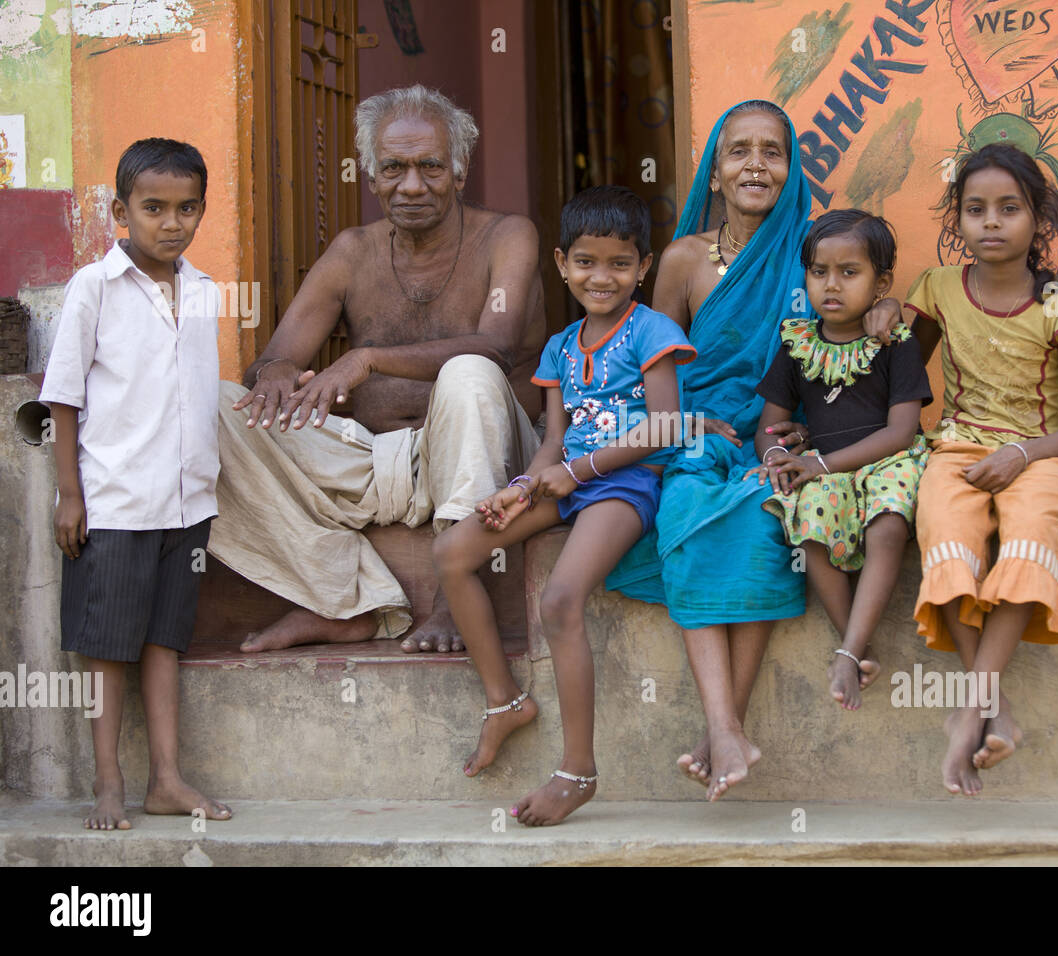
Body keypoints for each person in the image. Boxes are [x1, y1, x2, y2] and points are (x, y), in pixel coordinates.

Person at [607, 100, 899, 800]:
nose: (756, 165)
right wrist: (687, 426)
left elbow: (867, 317)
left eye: (773, 151)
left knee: (764, 520)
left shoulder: (815, 254)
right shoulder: (681, 261)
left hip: (783, 440)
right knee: (686, 509)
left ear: (793, 167)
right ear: (714, 169)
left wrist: (893, 312)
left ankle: (720, 731)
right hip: (700, 439)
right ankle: (725, 726)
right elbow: (657, 365)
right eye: (738, 150)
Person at [210, 84, 545, 654]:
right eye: (393, 168)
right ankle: (341, 601)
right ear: (370, 177)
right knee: (207, 407)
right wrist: (273, 372)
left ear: (460, 173)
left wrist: (365, 359)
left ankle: (453, 593)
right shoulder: (353, 251)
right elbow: (277, 356)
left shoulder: (507, 236)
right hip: (367, 461)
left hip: (486, 462)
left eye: (430, 167)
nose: (411, 186)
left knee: (467, 373)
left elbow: (496, 347)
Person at [430, 186, 696, 826]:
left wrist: (578, 472)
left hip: (626, 485)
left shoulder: (653, 331)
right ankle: (504, 701)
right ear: (560, 262)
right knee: (454, 550)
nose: (601, 277)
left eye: (618, 264)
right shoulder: (558, 347)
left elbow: (666, 426)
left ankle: (578, 770)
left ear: (644, 265)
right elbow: (553, 438)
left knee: (559, 600)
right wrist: (522, 487)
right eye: (585, 262)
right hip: (570, 477)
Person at [40, 138, 232, 830]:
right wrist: (70, 494)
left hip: (186, 503)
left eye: (186, 209)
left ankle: (167, 780)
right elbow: (63, 394)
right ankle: (108, 784)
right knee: (106, 650)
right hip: (116, 502)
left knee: (163, 642)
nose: (171, 223)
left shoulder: (207, 291)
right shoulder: (93, 287)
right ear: (122, 211)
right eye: (153, 208)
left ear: (202, 210)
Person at [905, 143, 1058, 796]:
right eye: (975, 209)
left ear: (1040, 223)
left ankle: (972, 709)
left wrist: (1023, 453)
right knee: (946, 534)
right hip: (959, 449)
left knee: (1028, 539)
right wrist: (883, 322)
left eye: (1009, 209)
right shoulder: (937, 290)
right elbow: (905, 377)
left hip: (1042, 451)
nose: (991, 222)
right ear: (957, 221)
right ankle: (997, 710)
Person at [748, 209, 932, 711]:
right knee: (807, 523)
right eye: (819, 272)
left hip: (889, 460)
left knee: (888, 525)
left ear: (881, 282)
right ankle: (856, 646)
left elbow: (902, 432)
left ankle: (847, 653)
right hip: (825, 465)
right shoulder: (797, 342)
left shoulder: (896, 342)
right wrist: (780, 459)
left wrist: (822, 466)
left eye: (849, 273)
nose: (832, 285)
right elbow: (770, 426)